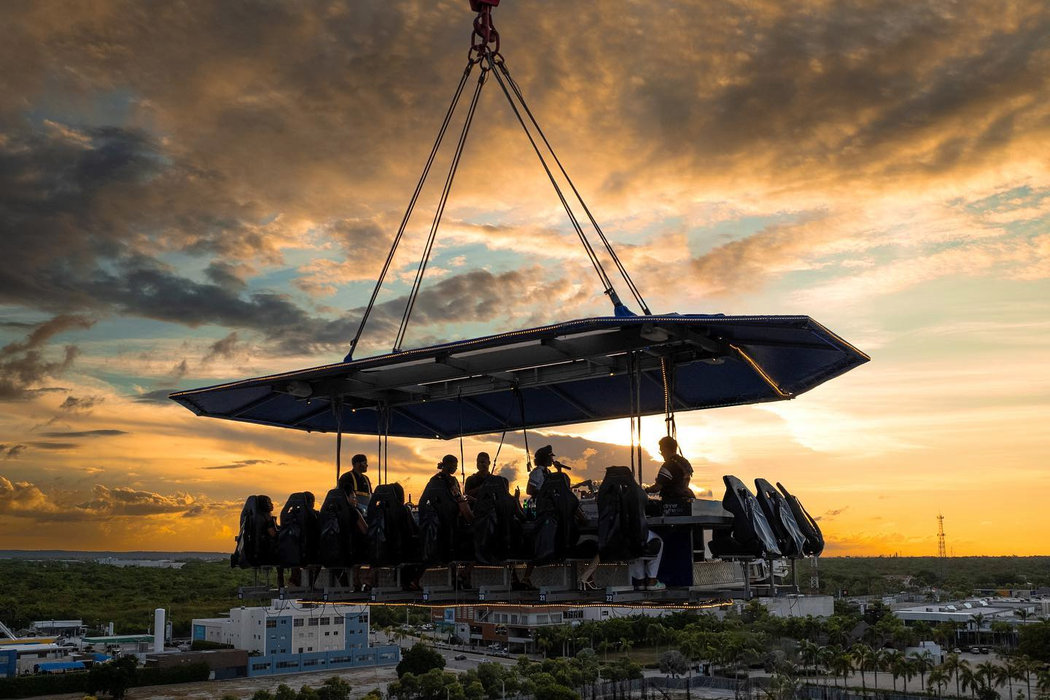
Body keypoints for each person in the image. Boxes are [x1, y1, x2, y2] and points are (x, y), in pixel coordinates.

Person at [645, 436, 694, 502]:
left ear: (666, 449)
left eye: (661, 450)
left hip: (672, 502)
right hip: (685, 500)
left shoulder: (668, 465)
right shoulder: (685, 462)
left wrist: (645, 490)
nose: (661, 454)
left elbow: (657, 487)